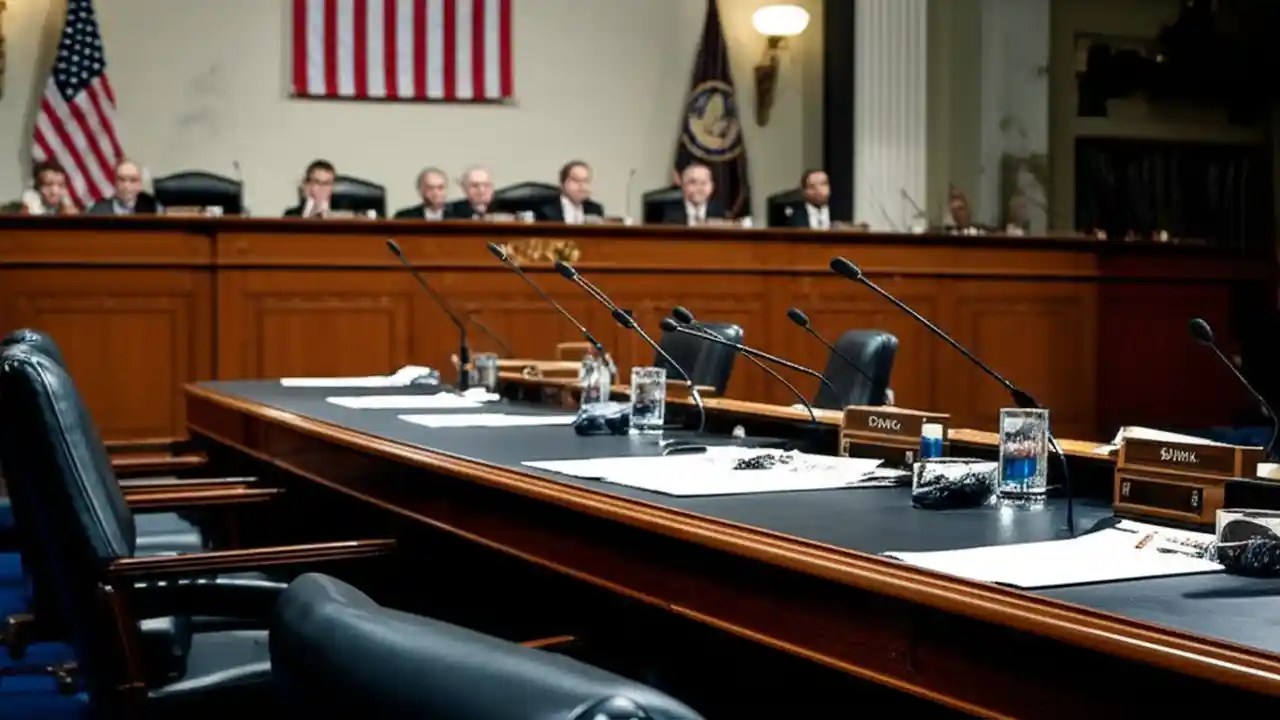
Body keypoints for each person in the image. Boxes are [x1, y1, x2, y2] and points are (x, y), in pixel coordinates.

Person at [539, 160, 604, 224]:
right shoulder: (545, 209)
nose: (582, 185)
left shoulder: (595, 209)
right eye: (576, 180)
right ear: (562, 184)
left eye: (585, 181)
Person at [86, 159, 159, 215]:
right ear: (115, 183)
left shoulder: (153, 208)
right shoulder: (98, 211)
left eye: (133, 180)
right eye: (122, 179)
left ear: (140, 184)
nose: (126, 185)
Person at [660, 163, 725, 225]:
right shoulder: (668, 213)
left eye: (703, 183)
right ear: (683, 185)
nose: (698, 188)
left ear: (712, 187)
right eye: (693, 182)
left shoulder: (720, 213)